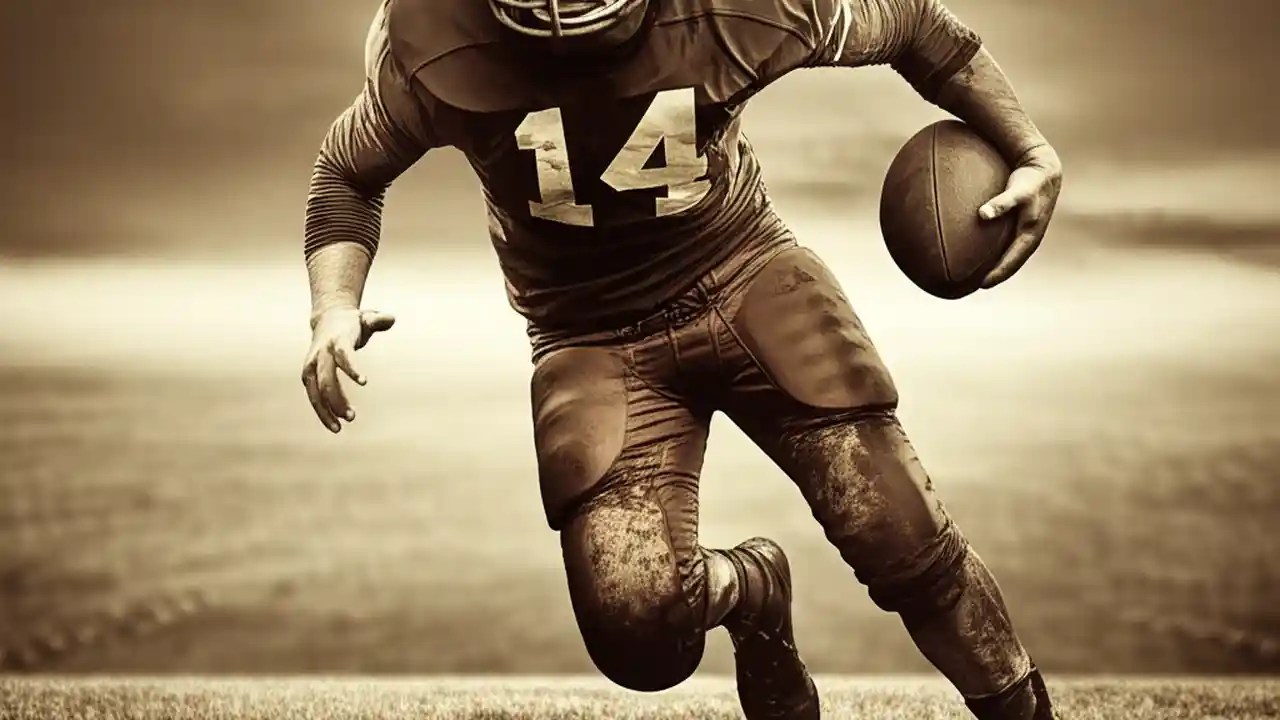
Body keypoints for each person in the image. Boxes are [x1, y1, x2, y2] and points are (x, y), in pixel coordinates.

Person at [299, 0, 1063, 717]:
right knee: (638, 629)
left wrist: (1029, 149)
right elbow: (349, 172)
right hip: (588, 333)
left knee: (899, 533)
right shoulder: (431, 36)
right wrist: (333, 306)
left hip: (744, 275)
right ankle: (751, 588)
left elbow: (913, 24)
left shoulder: (743, 10)